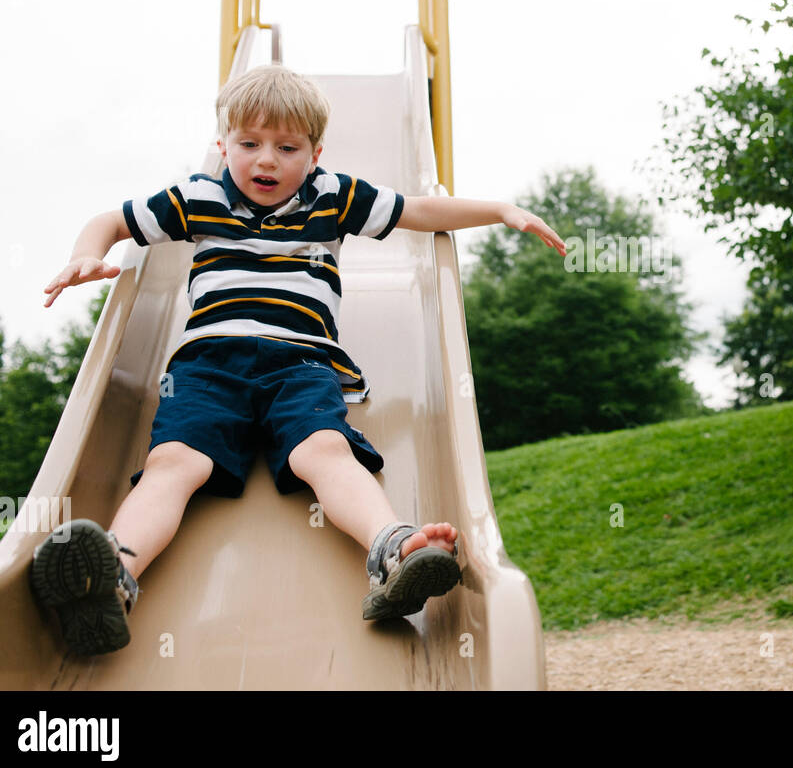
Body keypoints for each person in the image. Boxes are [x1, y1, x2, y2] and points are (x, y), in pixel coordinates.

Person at [30, 64, 566, 655]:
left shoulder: (332, 196)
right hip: (207, 366)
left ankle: (392, 550)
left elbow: (418, 211)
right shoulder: (198, 198)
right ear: (223, 144)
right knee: (174, 464)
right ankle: (111, 577)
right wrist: (85, 254)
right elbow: (111, 221)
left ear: (314, 154)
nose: (266, 161)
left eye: (287, 148)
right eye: (249, 144)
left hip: (303, 364)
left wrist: (501, 210)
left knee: (326, 453)